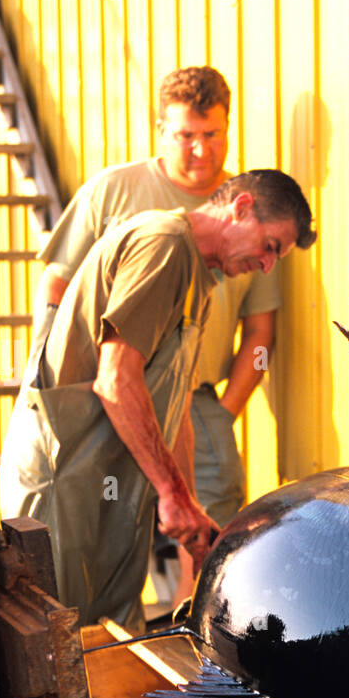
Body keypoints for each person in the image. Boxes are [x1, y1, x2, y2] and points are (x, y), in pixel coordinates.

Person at [0, 169, 316, 632]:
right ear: (241, 207)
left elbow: (178, 410)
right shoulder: (165, 244)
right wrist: (169, 494)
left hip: (109, 484)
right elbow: (115, 379)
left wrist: (187, 504)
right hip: (64, 472)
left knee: (109, 638)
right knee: (56, 642)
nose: (268, 266)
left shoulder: (203, 281)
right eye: (270, 246)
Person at [36, 66, 282, 559]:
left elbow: (259, 335)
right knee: (105, 527)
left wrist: (226, 409)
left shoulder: (255, 219)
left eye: (212, 134)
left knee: (210, 541)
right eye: (185, 134)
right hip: (104, 395)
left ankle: (186, 626)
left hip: (198, 403)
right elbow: (57, 283)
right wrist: (52, 385)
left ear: (228, 129)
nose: (200, 149)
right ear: (161, 131)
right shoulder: (113, 192)